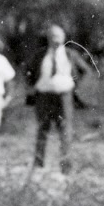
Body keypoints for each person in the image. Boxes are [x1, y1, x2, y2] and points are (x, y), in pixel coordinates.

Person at [30, 23, 83, 173]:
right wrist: (33, 85)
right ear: (48, 38)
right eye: (52, 36)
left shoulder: (70, 54)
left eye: (58, 36)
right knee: (42, 128)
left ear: (64, 38)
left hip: (64, 96)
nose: (55, 40)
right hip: (44, 96)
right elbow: (29, 71)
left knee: (65, 130)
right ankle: (38, 164)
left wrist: (75, 85)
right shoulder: (40, 54)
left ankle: (66, 167)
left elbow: (85, 70)